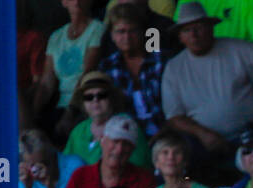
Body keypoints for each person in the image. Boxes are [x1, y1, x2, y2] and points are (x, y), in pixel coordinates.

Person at [160, 3, 253, 171]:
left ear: (211, 28)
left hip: (248, 134)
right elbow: (174, 117)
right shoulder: (174, 68)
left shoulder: (239, 49)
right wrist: (203, 134)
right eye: (186, 30)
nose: (194, 35)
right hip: (202, 143)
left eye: (199, 27)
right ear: (180, 37)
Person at [33, 0, 105, 135]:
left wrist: (70, 112)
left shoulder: (97, 29)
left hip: (85, 105)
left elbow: (87, 72)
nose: (77, 2)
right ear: (64, 2)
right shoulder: (56, 37)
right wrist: (33, 115)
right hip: (59, 106)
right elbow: (46, 83)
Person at [100, 2, 170, 138]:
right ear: (112, 36)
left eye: (132, 31)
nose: (126, 37)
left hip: (167, 134)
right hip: (127, 138)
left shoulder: (161, 61)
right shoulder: (107, 67)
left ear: (143, 33)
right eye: (121, 32)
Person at [63, 72, 152, 169]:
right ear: (83, 103)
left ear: (112, 99)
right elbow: (65, 166)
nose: (95, 100)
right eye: (89, 97)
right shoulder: (78, 131)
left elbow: (138, 165)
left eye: (101, 95)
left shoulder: (126, 126)